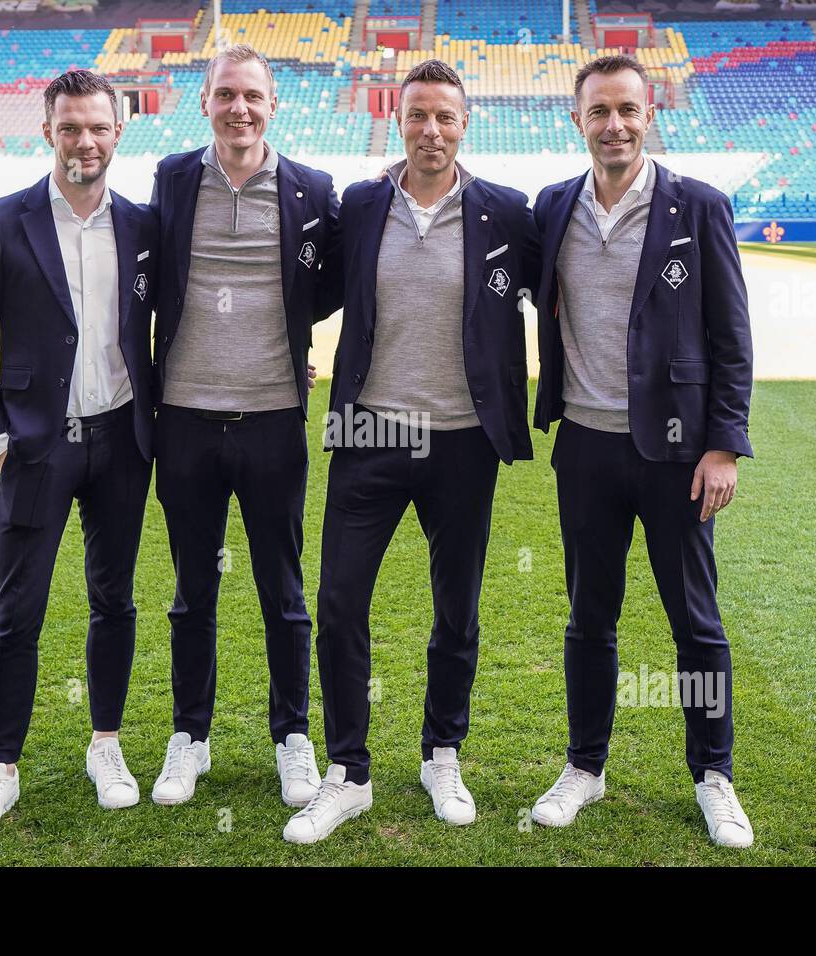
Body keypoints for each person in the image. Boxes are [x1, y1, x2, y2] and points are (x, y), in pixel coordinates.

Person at [283, 59, 538, 844]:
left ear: (467, 124)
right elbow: (300, 290)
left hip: (465, 440)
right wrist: (290, 359)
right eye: (418, 115)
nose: (432, 130)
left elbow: (566, 297)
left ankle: (441, 753)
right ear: (398, 119)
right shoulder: (359, 206)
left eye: (446, 118)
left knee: (455, 608)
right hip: (371, 433)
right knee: (338, 603)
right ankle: (348, 772)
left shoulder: (507, 212)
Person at [529, 54, 756, 847]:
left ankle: (714, 776)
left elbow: (731, 336)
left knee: (695, 621)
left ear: (650, 113)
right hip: (585, 448)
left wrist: (724, 444)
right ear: (578, 119)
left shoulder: (699, 206)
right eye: (600, 112)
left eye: (628, 109)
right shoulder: (553, 206)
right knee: (590, 617)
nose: (615, 125)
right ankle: (584, 767)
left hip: (675, 455)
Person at [0, 70, 158, 844]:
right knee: (17, 614)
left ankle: (105, 744)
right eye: (70, 128)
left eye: (97, 128)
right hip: (38, 449)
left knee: (115, 600)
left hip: (122, 441)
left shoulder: (143, 226)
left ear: (117, 133)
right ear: (48, 132)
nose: (85, 141)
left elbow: (183, 318)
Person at [147, 44, 340, 809]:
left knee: (283, 592)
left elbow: (323, 286)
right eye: (226, 95)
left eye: (252, 96)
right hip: (185, 420)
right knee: (193, 593)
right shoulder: (171, 179)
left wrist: (293, 347)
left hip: (270, 421)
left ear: (273, 104)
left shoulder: (310, 189)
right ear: (205, 102)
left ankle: (293, 736)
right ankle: (188, 737)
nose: (240, 109)